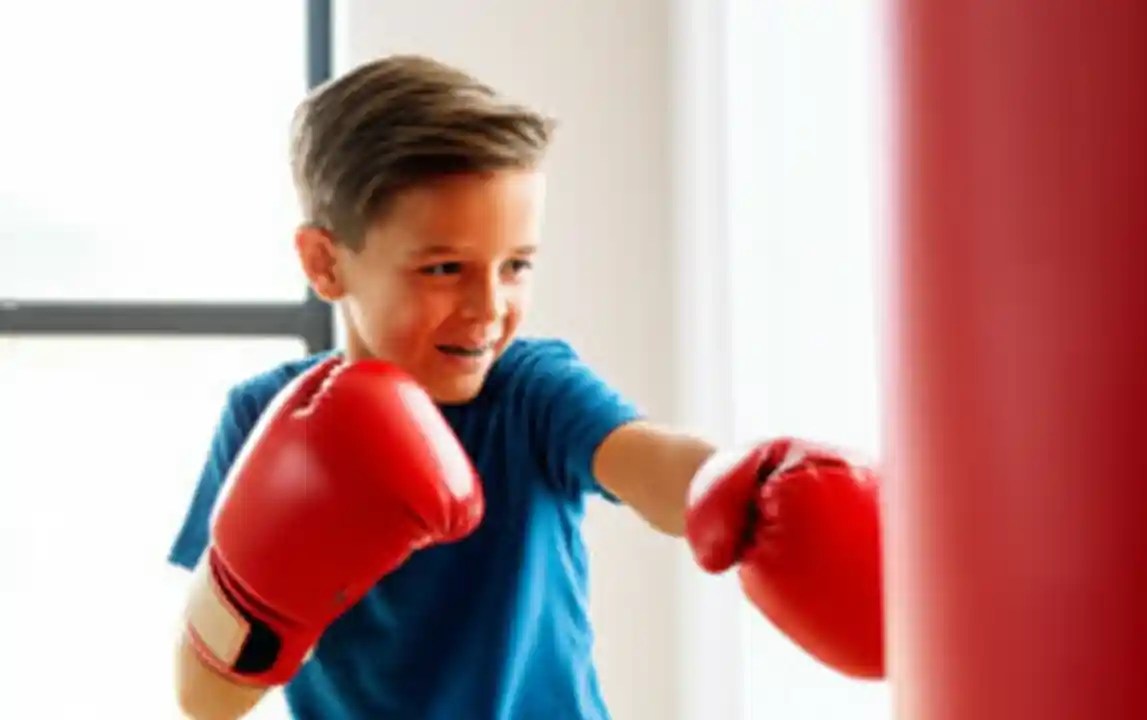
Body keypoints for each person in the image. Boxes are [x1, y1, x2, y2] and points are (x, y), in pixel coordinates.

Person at [168, 54, 882, 720]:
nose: (488, 308)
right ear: (325, 263)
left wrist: (743, 490)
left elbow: (650, 464)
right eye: (444, 269)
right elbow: (206, 701)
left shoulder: (530, 390)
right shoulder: (261, 415)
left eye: (515, 266)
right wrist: (270, 583)